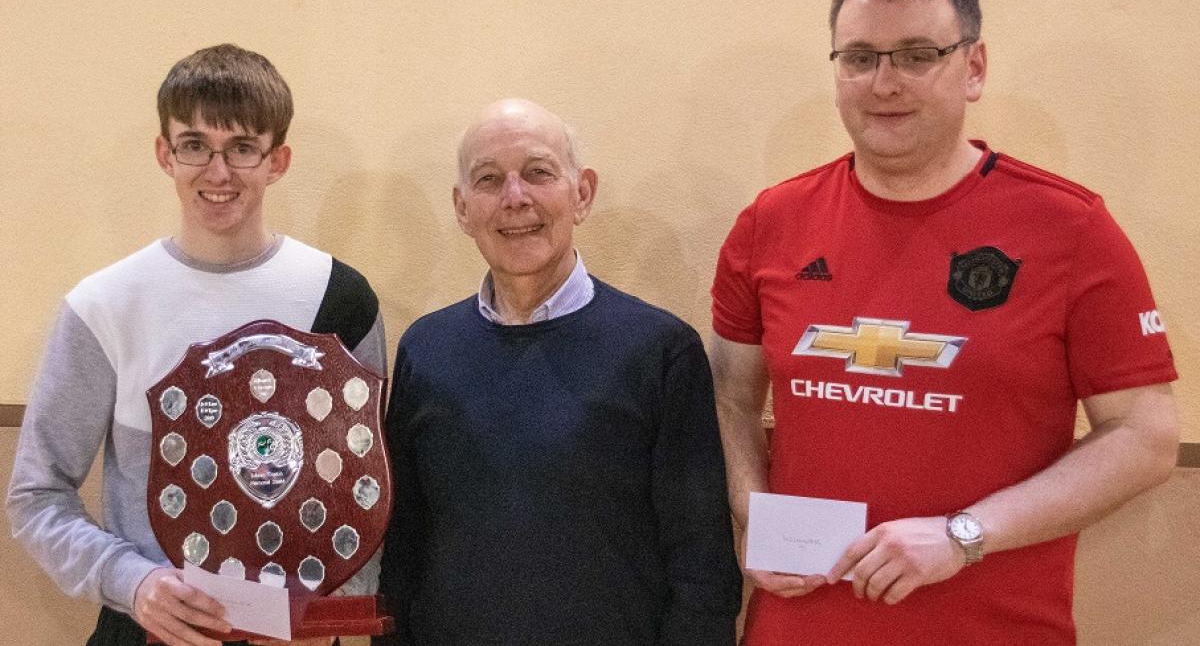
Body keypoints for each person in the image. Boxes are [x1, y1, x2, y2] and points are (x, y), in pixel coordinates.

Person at [709, 0, 1179, 644]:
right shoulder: (771, 224)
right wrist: (750, 510)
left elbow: (1147, 436)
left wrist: (965, 535)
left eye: (918, 55)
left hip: (996, 628)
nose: (884, 83)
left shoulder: (1071, 230)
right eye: (860, 57)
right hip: (799, 626)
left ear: (975, 67)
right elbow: (728, 397)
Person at [5, 44, 386, 646]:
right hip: (147, 632)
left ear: (277, 160)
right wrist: (134, 583)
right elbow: (36, 495)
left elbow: (364, 489)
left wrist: (335, 610)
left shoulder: (340, 298)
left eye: (241, 148)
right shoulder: (104, 305)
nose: (218, 172)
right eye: (194, 146)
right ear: (165, 153)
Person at [376, 98, 742, 645]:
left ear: (582, 193)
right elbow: (404, 545)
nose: (515, 197)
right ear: (461, 207)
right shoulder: (426, 349)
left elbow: (702, 569)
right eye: (488, 179)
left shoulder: (661, 351)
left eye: (539, 173)